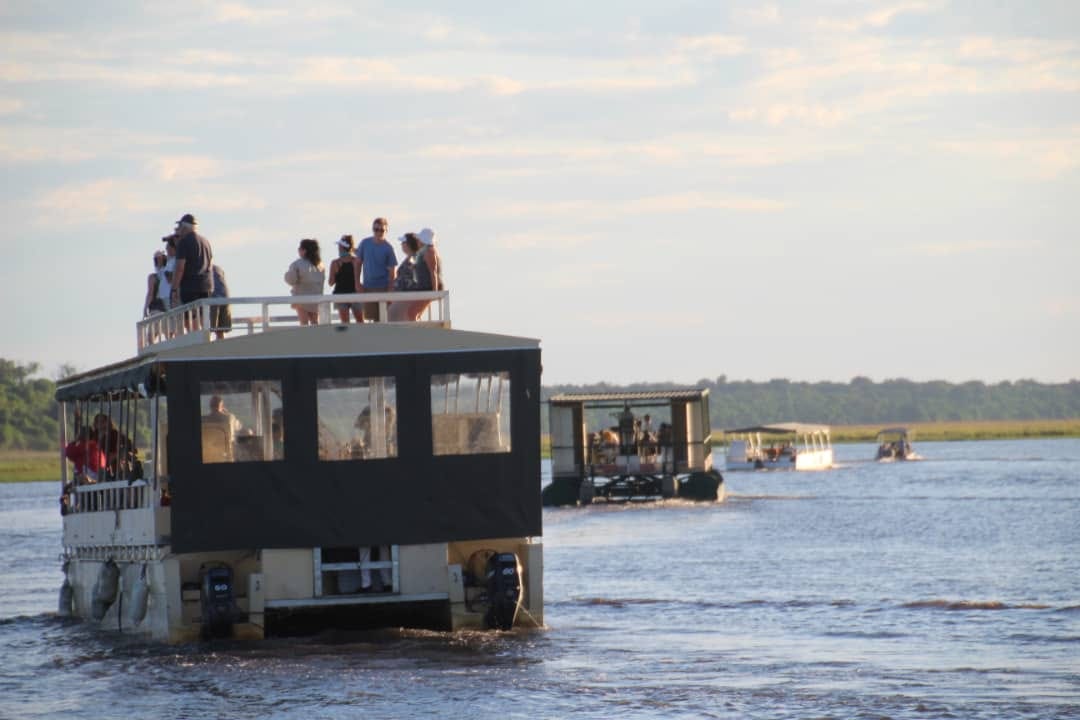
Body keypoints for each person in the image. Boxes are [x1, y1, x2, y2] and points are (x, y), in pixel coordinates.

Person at [169, 214, 214, 324]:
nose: (178, 229)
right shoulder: (205, 241)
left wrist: (174, 289)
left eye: (179, 226)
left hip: (190, 287)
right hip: (207, 286)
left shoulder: (184, 242)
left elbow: (180, 268)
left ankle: (196, 335)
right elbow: (210, 263)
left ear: (184, 227)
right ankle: (205, 334)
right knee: (203, 318)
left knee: (190, 319)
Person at [356, 217, 397, 321]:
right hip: (368, 287)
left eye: (381, 230)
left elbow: (392, 272)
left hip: (383, 288)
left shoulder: (388, 248)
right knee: (371, 317)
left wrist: (390, 289)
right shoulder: (365, 243)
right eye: (376, 229)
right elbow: (357, 264)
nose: (378, 232)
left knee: (384, 318)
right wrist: (357, 283)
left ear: (386, 230)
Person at [285, 238, 326, 325]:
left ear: (304, 251)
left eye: (300, 248)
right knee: (315, 323)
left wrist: (286, 276)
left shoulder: (297, 264)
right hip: (316, 298)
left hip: (301, 298)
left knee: (304, 323)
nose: (298, 250)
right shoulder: (320, 265)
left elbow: (291, 280)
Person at [329, 235, 363, 324]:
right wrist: (353, 250)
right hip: (355, 293)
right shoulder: (356, 261)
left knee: (345, 323)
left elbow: (330, 282)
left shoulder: (335, 263)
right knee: (360, 322)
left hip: (340, 294)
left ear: (341, 247)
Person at [143, 251, 170, 316]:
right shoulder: (171, 273)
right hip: (170, 303)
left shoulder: (153, 277)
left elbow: (150, 294)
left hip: (158, 307)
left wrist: (145, 308)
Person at [210, 264, 231, 340]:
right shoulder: (218, 269)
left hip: (213, 297)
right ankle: (221, 342)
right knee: (220, 329)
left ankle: (208, 344)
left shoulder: (203, 268)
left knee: (208, 328)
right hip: (225, 297)